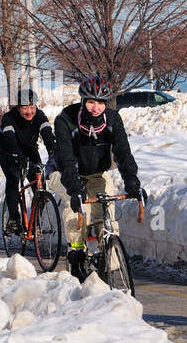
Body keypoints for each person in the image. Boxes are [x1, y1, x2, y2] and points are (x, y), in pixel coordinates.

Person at [51, 74, 143, 281]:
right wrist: (75, 190)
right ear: (83, 100)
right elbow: (66, 159)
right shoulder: (65, 119)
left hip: (96, 173)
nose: (96, 107)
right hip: (64, 173)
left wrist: (132, 181)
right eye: (91, 102)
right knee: (75, 212)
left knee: (106, 214)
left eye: (100, 102)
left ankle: (109, 269)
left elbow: (123, 153)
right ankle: (75, 256)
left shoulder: (112, 119)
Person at [0, 87, 57, 235]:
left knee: (40, 184)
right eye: (24, 108)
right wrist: (19, 157)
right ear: (17, 108)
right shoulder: (8, 118)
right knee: (13, 179)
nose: (29, 111)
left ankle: (35, 221)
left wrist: (53, 153)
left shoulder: (39, 116)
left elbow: (47, 135)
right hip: (9, 153)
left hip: (30, 151)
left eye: (32, 107)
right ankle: (15, 219)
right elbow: (9, 139)